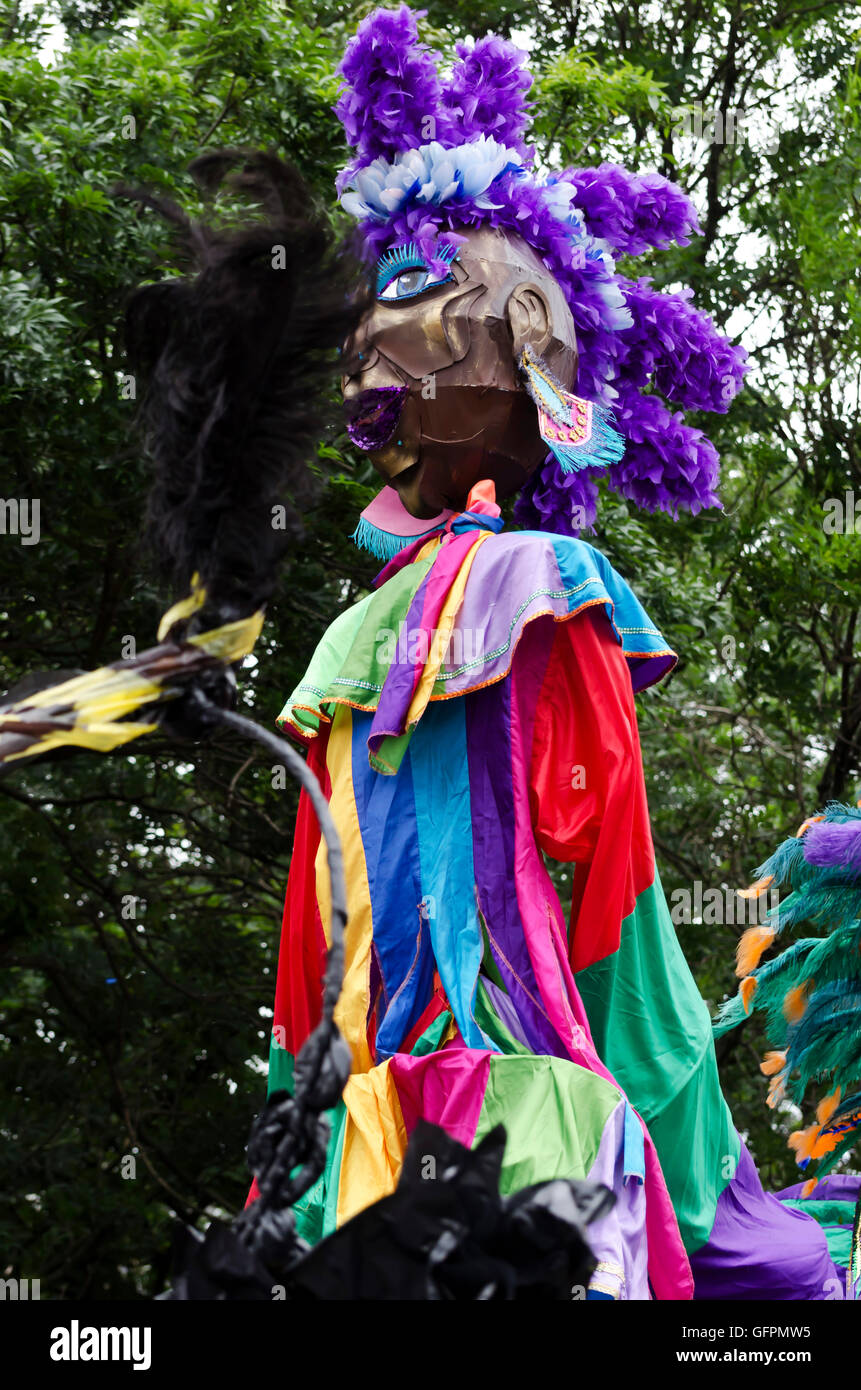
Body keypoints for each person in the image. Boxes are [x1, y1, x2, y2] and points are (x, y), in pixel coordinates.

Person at [251, 5, 851, 1299]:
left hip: (427, 1134)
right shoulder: (465, 601)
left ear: (530, 343)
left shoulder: (444, 610)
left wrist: (283, 1168)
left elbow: (600, 907)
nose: (373, 331)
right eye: (381, 294)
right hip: (462, 1144)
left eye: (416, 292)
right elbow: (598, 928)